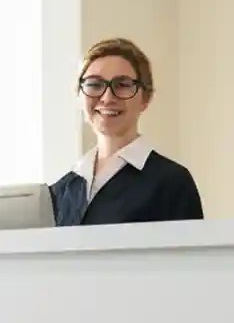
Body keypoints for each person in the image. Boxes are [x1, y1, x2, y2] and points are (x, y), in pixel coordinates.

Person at [50, 37, 203, 226]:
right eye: (94, 84)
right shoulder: (60, 190)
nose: (107, 97)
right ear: (80, 95)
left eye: (122, 85)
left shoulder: (172, 183)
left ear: (145, 98)